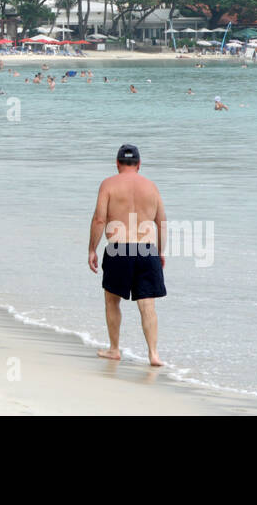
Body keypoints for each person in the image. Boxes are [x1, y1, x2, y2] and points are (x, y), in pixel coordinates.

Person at [88, 144, 166, 366]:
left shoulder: (109, 184)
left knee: (112, 301)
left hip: (119, 249)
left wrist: (92, 249)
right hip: (146, 249)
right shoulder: (152, 187)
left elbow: (100, 220)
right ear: (139, 164)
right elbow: (161, 222)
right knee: (147, 304)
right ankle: (153, 354)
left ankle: (114, 349)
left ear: (117, 163)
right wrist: (159, 251)